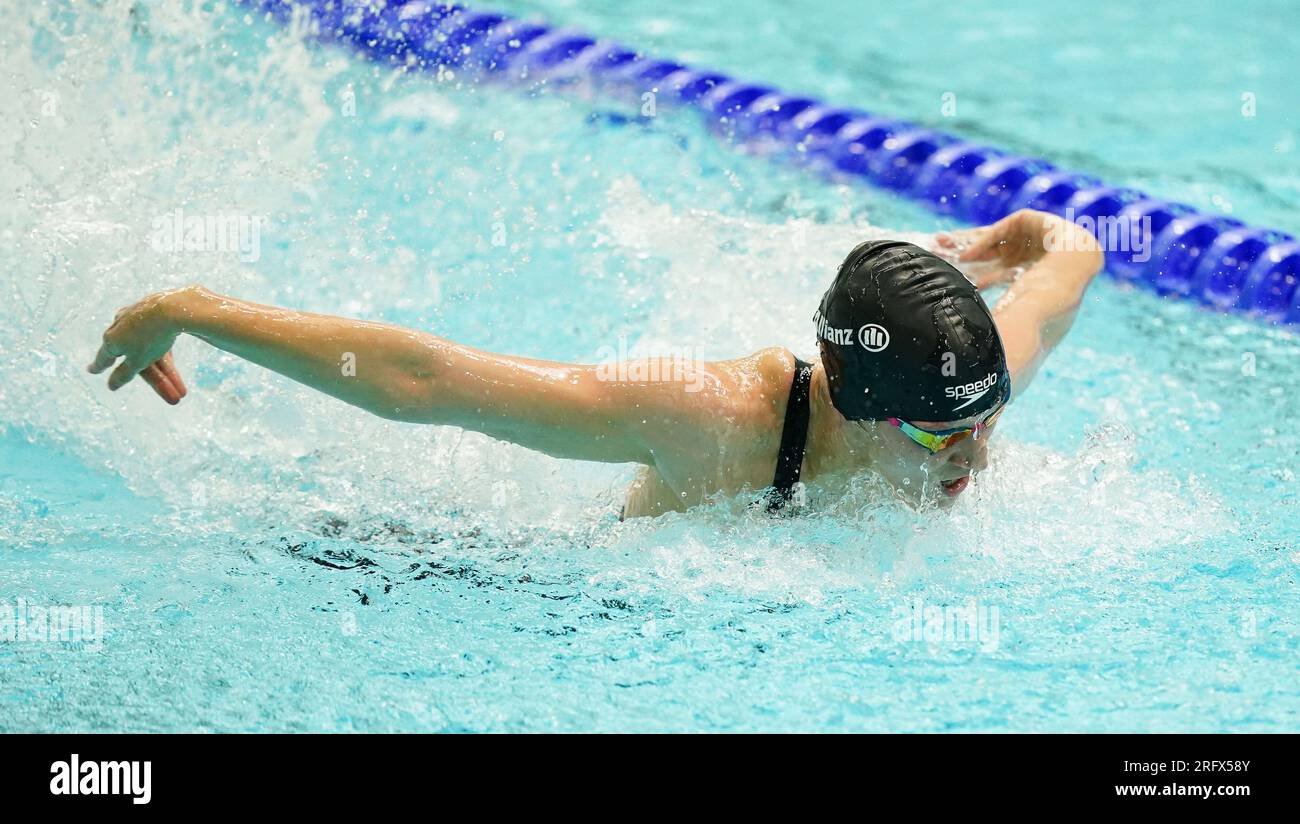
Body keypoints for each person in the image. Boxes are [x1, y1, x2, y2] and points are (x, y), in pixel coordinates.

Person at [89, 208, 1103, 517]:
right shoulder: (715, 419)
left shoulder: (963, 377)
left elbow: (1075, 255)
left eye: (988, 418)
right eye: (941, 432)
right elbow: (424, 381)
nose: (976, 456)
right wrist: (194, 309)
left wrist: (1002, 246)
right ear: (861, 399)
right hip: (571, 603)